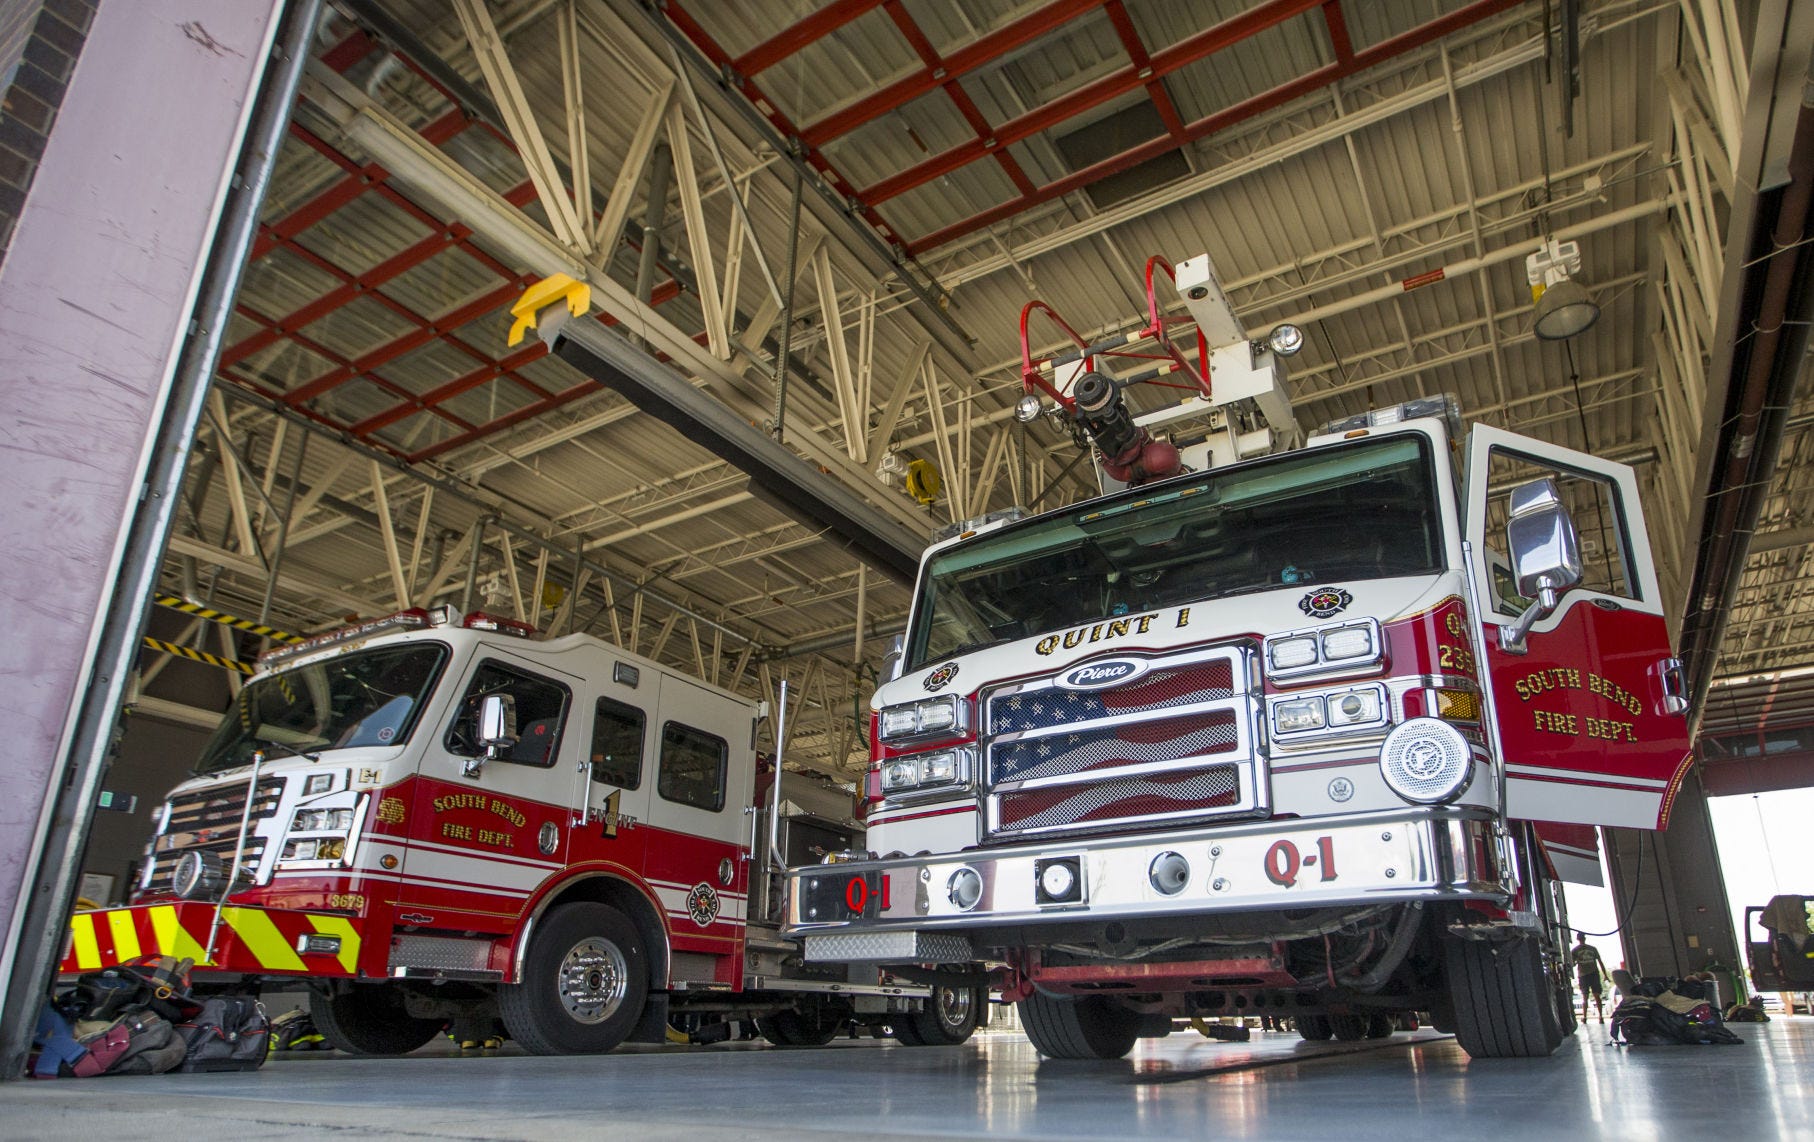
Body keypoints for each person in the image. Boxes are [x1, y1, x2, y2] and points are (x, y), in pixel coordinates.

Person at [1572, 933, 1610, 1023]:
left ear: (1578, 939)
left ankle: (1585, 1018)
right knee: (1597, 996)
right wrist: (1605, 975)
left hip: (1583, 975)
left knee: (1585, 997)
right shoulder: (1592, 949)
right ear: (1585, 938)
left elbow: (1572, 963)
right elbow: (1600, 962)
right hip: (1594, 974)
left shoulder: (1575, 950)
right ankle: (1600, 1017)